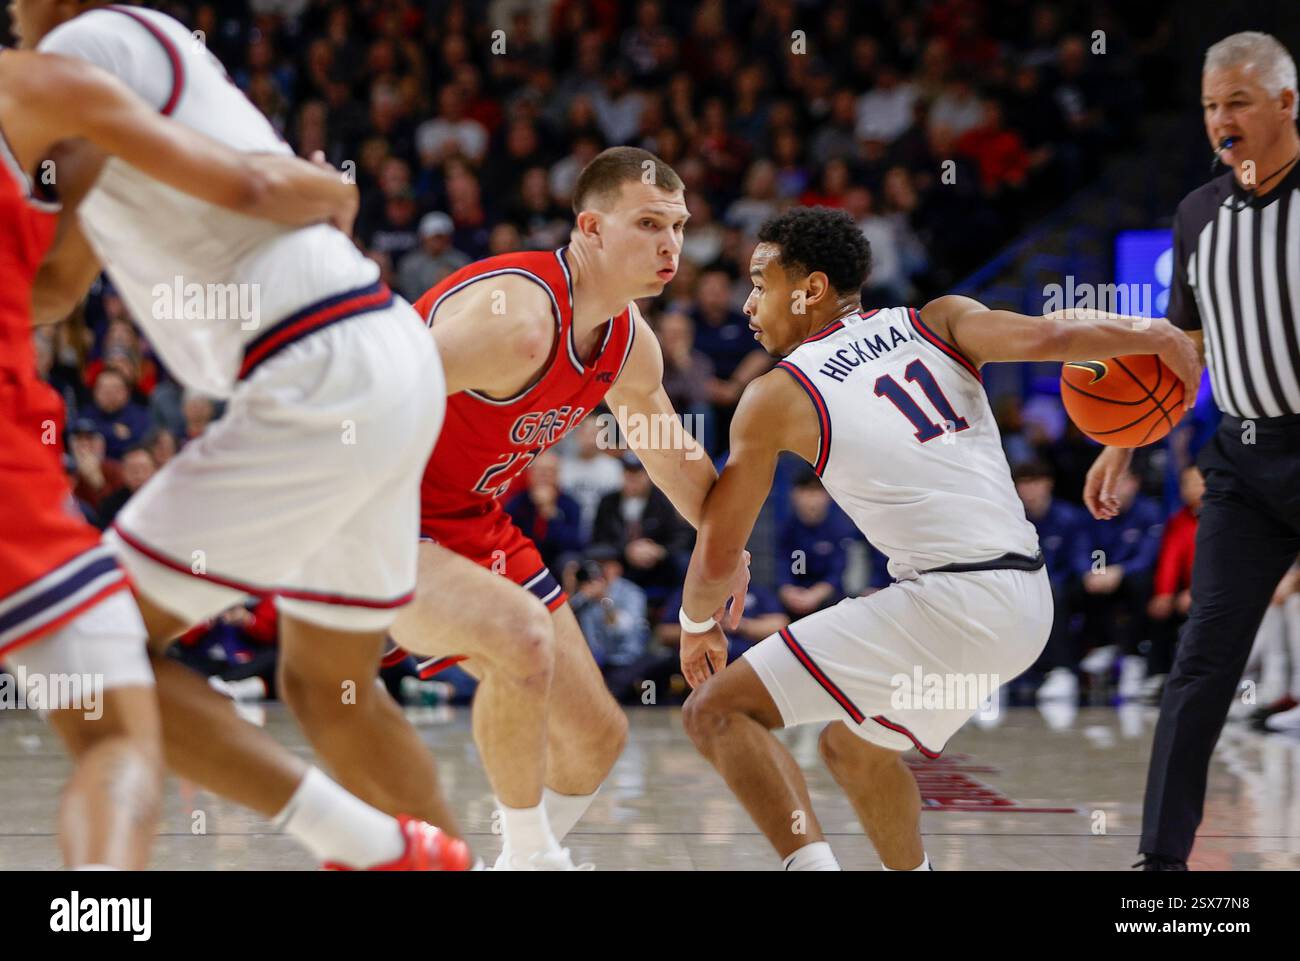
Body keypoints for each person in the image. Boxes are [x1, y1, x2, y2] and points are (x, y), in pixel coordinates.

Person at [19, 0, 467, 871]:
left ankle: (367, 844)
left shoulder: (87, 41)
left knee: (91, 645)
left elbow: (255, 188)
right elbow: (55, 284)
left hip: (315, 362)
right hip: (374, 354)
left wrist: (320, 188)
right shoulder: (96, 81)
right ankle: (432, 860)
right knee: (329, 691)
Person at [675, 206, 1199, 871]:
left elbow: (721, 548)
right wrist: (1148, 329)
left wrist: (696, 621)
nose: (750, 303)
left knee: (714, 711)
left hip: (951, 601)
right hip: (1026, 604)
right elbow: (1047, 335)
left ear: (809, 289)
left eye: (760, 282)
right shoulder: (939, 319)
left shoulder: (775, 395)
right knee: (855, 750)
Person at [384, 146, 750, 870]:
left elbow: (671, 453)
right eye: (647, 223)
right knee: (519, 641)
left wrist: (726, 553)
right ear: (589, 227)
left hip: (474, 524)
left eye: (677, 225)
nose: (669, 243)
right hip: (382, 512)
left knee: (593, 740)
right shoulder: (514, 319)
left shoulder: (627, 342)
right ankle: (529, 858)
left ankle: (512, 854)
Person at [1082, 32, 1300, 870]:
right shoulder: (1199, 215)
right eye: (1211, 104)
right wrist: (1124, 442)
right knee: (1202, 661)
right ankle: (1160, 867)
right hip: (1242, 461)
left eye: (1238, 101)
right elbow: (1185, 351)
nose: (1221, 119)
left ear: (1286, 103)